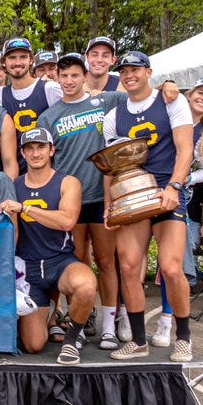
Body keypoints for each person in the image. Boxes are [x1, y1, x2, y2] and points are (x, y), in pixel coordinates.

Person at [102, 51, 195, 362]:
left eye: (135, 69)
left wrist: (174, 186)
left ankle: (183, 337)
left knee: (170, 267)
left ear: (148, 71)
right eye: (125, 70)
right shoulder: (114, 116)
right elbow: (112, 168)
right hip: (133, 195)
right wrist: (109, 205)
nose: (129, 75)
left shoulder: (171, 101)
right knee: (128, 267)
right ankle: (138, 341)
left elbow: (185, 151)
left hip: (167, 191)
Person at [36, 53, 123, 350]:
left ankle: (110, 325)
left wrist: (170, 85)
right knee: (77, 262)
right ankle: (81, 322)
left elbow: (142, 96)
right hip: (69, 200)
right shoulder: (49, 117)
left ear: (85, 76)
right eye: (64, 76)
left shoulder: (106, 101)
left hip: (101, 195)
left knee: (107, 261)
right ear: (57, 79)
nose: (69, 81)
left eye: (75, 75)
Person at [0, 128, 98, 363]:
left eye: (41, 147)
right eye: (29, 148)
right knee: (34, 344)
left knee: (85, 286)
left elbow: (66, 221)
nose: (35, 153)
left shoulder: (67, 182)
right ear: (22, 153)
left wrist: (25, 208)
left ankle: (72, 340)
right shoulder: (13, 184)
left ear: (51, 150)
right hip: (27, 268)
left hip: (59, 261)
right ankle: (52, 306)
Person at [153, 76, 203, 347]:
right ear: (191, 91)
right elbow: (149, 92)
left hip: (177, 193)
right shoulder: (170, 107)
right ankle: (124, 317)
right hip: (147, 186)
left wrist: (186, 179)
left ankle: (167, 321)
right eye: (201, 92)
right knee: (130, 259)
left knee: (173, 264)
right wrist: (168, 83)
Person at [0, 38, 62, 136]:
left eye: (23, 57)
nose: (17, 63)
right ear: (3, 62)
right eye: (12, 57)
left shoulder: (50, 89)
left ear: (31, 60)